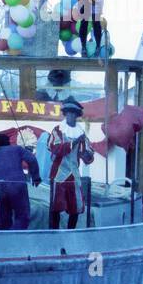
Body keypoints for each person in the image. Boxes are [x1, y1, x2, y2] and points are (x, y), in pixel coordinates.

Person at [47, 97, 95, 229]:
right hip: (59, 175)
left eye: (74, 113)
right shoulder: (58, 130)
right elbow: (54, 148)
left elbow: (87, 154)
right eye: (69, 112)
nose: (71, 116)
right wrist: (74, 143)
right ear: (65, 114)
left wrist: (88, 155)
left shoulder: (81, 133)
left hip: (74, 175)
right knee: (56, 208)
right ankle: (54, 234)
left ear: (77, 115)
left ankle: (70, 234)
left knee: (76, 209)